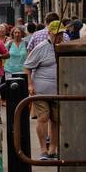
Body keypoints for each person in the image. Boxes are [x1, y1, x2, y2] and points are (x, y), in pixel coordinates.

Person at [24, 20, 61, 161]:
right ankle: (43, 150)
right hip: (41, 90)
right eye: (58, 33)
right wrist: (30, 85)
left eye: (62, 33)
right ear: (50, 33)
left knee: (56, 119)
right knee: (43, 117)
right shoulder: (41, 47)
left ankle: (53, 149)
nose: (60, 36)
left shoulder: (62, 47)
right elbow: (27, 66)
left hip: (58, 90)